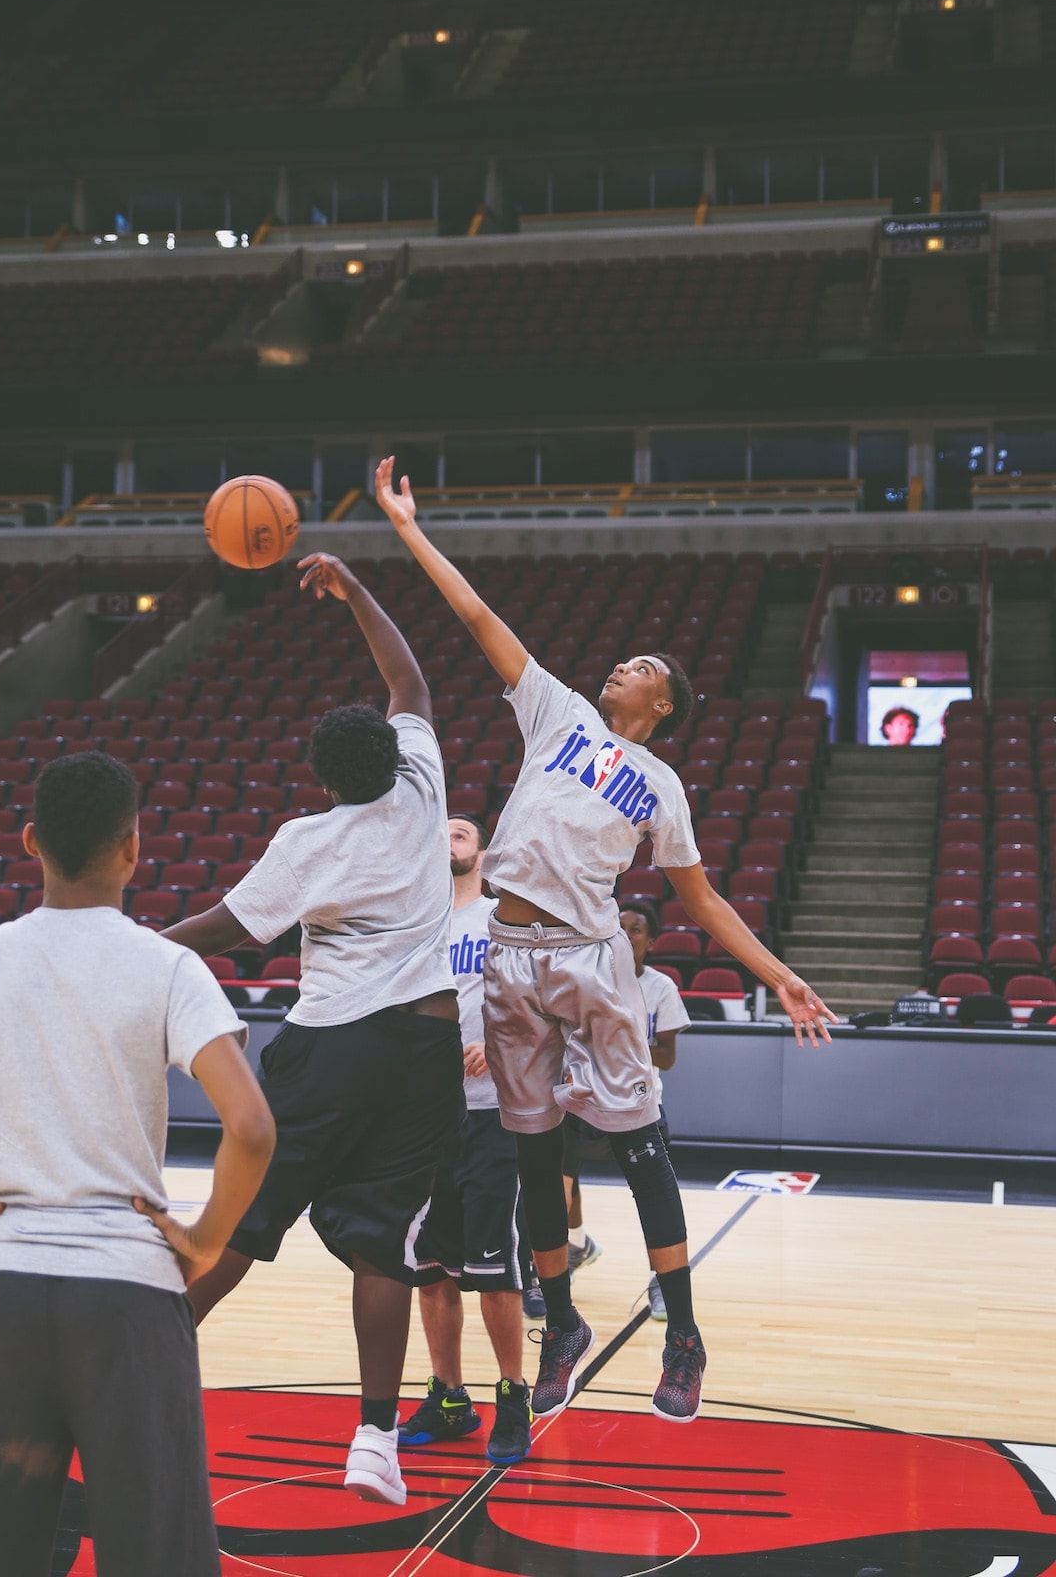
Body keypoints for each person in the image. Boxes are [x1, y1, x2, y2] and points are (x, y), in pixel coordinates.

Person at [375, 455, 839, 1426]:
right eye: (623, 661)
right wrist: (408, 529)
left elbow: (704, 903)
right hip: (507, 958)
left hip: (588, 959)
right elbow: (477, 621)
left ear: (660, 703)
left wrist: (783, 976)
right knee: (536, 1156)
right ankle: (568, 1328)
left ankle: (684, 1330)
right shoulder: (558, 715)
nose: (620, 667)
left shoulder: (660, 786)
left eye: (641, 668)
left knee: (639, 1151)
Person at [0, 750, 274, 1577]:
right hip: (130, 1299)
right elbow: (253, 1129)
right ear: (132, 848)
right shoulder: (169, 967)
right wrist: (202, 1240)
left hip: (6, 1292)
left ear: (29, 842)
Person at [159, 552, 464, 1510]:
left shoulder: (307, 842)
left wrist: (128, 948)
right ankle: (376, 1440)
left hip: (332, 1045)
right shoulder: (423, 785)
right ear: (388, 753)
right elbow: (409, 678)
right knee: (386, 1251)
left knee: (246, 1230)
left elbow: (225, 930)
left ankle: (141, 1364)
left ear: (321, 776)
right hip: (423, 1055)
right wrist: (354, 590)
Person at [399, 813, 532, 1466]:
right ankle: (449, 1397)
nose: (449, 835)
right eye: (441, 829)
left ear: (481, 851)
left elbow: (543, 1009)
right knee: (430, 1269)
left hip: (491, 1115)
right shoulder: (412, 930)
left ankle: (514, 1396)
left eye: (461, 831)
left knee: (493, 1272)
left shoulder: (501, 921)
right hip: (426, 1118)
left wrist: (498, 1043)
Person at [618, 902, 692, 1321]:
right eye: (621, 926)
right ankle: (571, 1249)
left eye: (636, 928)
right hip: (589, 1100)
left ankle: (659, 1282)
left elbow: (667, 1056)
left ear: (651, 941)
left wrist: (622, 1039)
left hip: (642, 1103)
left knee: (653, 1199)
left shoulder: (661, 987)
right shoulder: (589, 979)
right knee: (561, 1185)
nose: (627, 933)